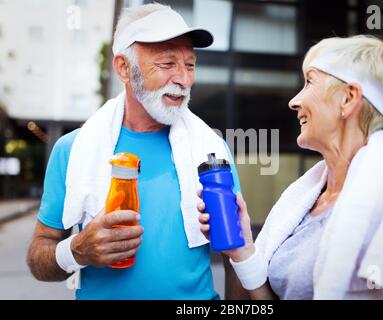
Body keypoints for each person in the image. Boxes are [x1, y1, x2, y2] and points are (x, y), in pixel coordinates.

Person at [199, 35, 383, 299]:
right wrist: (243, 249)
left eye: (309, 82)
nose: (294, 101)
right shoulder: (306, 201)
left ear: (348, 99)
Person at [27, 3, 240, 300]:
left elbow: (235, 254)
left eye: (190, 65)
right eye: (167, 64)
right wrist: (76, 251)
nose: (184, 79)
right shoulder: (72, 149)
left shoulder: (212, 152)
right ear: (124, 68)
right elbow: (39, 256)